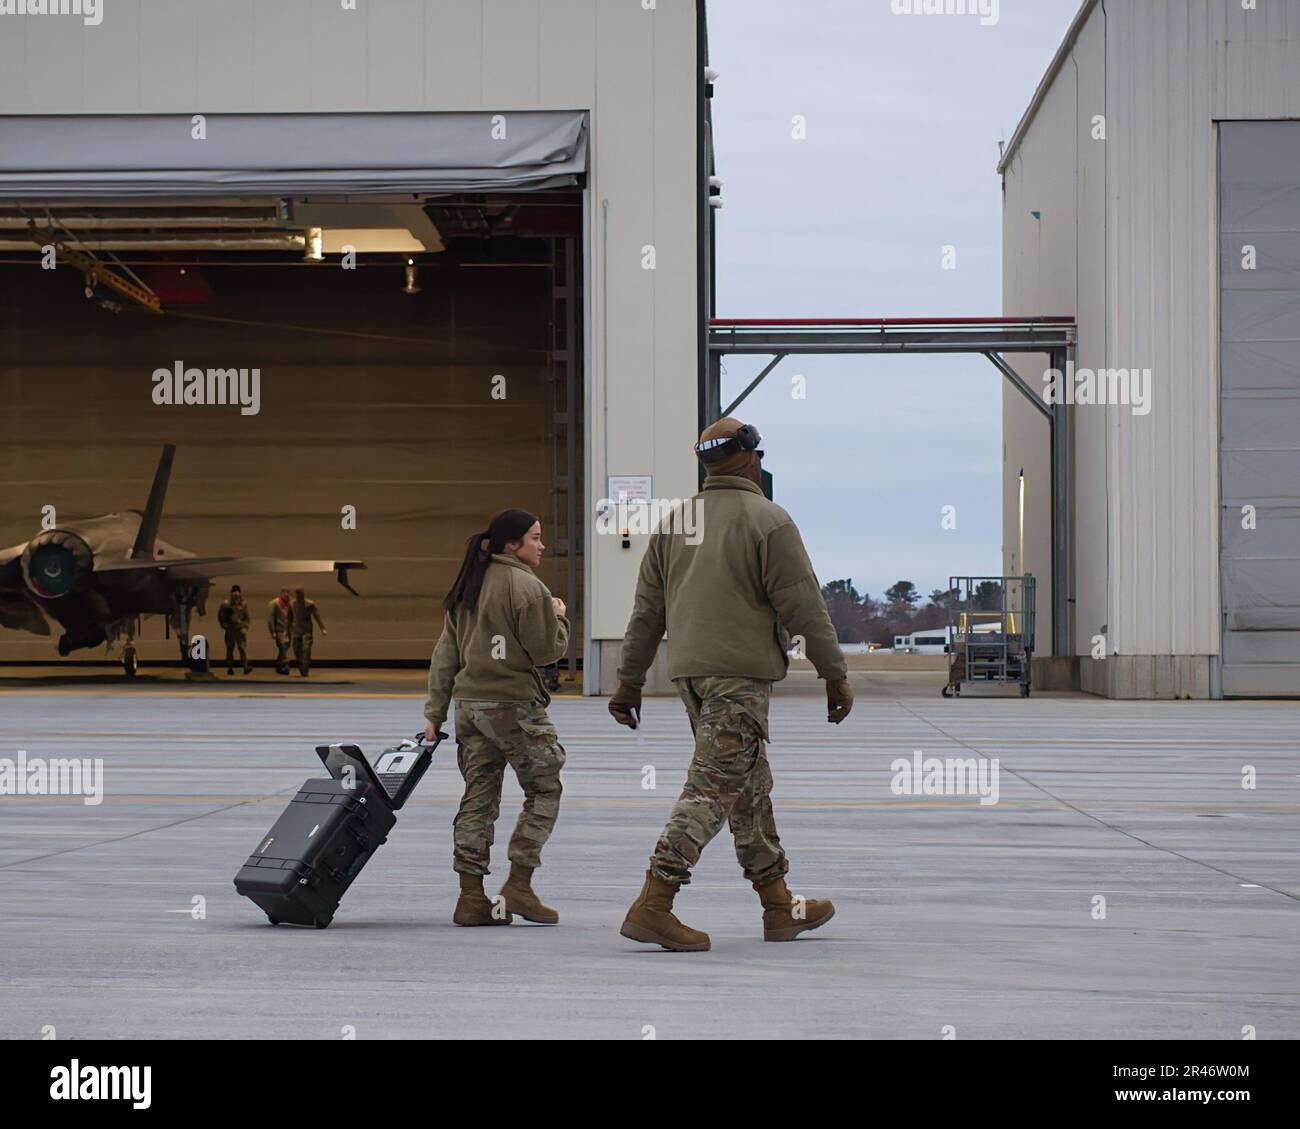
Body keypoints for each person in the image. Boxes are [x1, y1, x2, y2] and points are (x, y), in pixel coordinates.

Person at [608, 418, 854, 952]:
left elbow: (646, 614)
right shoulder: (768, 520)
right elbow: (804, 606)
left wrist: (628, 682)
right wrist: (834, 674)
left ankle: (778, 905)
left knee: (748, 787)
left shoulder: (675, 524)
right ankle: (654, 903)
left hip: (691, 675)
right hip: (739, 677)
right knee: (713, 788)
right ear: (750, 461)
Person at [424, 509, 569, 928]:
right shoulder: (527, 587)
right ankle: (519, 885)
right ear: (512, 544)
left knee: (478, 798)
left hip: (470, 709)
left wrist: (434, 712)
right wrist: (558, 615)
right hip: (513, 708)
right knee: (544, 790)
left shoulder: (469, 583)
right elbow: (546, 652)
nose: (542, 545)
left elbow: (445, 654)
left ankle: (471, 897)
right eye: (536, 538)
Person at [287, 588, 326, 677]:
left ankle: (305, 668)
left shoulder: (309, 604)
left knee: (306, 649)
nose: (300, 596)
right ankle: (302, 664)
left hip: (307, 630)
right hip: (296, 630)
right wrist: (287, 629)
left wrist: (322, 628)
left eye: (301, 594)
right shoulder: (292, 604)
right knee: (296, 649)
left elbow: (317, 615)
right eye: (298, 594)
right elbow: (289, 618)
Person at [216, 584, 252, 676]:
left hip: (240, 629)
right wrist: (224, 626)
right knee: (230, 650)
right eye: (234, 594)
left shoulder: (244, 604)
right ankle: (230, 668)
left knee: (242, 649)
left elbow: (247, 618)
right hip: (230, 630)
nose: (236, 596)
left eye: (238, 594)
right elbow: (221, 616)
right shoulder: (226, 604)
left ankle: (245, 667)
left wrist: (245, 627)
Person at [267, 588, 292, 676]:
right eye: (285, 594)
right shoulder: (274, 603)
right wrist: (272, 631)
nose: (287, 596)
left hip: (288, 630)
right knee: (283, 647)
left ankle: (279, 666)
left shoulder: (289, 604)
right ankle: (285, 665)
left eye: (288, 594)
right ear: (281, 594)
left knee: (284, 648)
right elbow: (270, 618)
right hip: (279, 630)